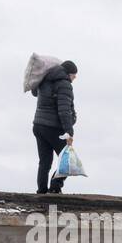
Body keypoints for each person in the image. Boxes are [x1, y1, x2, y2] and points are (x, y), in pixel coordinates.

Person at [32, 60, 78, 194]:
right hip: (52, 127)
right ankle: (55, 187)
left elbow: (34, 92)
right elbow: (64, 111)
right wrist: (69, 132)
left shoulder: (44, 80)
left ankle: (41, 190)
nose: (75, 78)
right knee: (68, 159)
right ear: (69, 73)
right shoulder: (64, 84)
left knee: (44, 161)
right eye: (74, 75)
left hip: (38, 126)